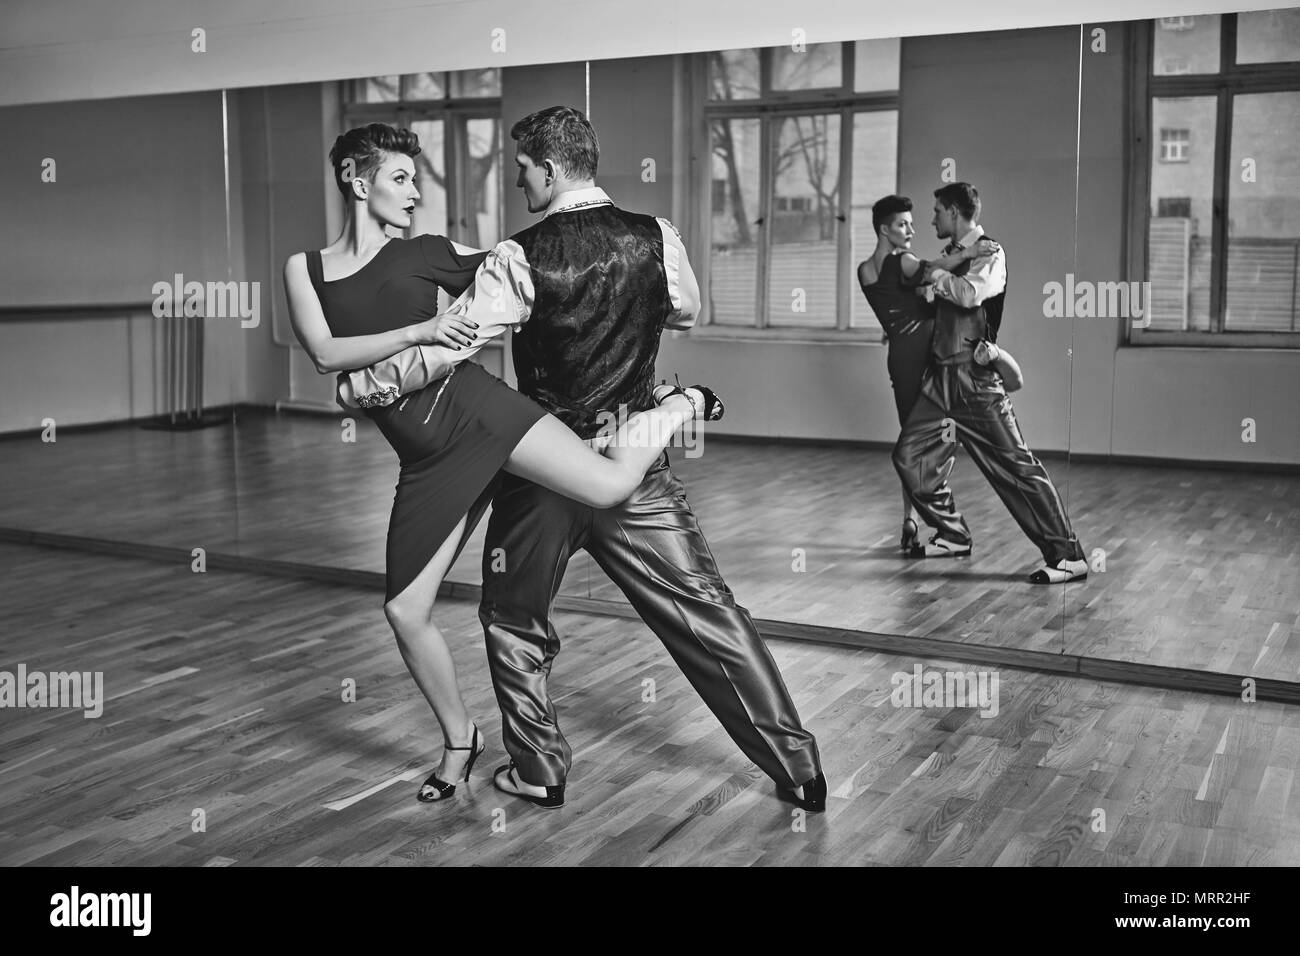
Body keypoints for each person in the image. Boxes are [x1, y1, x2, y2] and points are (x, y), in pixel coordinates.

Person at [351, 106, 827, 812]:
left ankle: (539, 770)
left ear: (548, 168)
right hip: (634, 464)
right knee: (709, 612)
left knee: (514, 622)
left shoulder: (518, 256)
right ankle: (799, 769)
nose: (518, 182)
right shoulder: (654, 237)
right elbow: (688, 311)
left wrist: (369, 380)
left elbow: (454, 346)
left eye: (521, 170)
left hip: (543, 466)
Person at [283, 123, 723, 805]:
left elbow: (547, 259)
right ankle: (462, 738)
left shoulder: (431, 252)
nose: (414, 191)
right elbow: (323, 353)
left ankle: (681, 404)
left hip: (483, 416)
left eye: (414, 178)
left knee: (607, 483)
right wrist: (420, 330)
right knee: (405, 610)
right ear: (354, 177)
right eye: (400, 177)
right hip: (426, 457)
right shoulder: (304, 269)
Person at [891, 182, 1087, 584]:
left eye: (937, 212)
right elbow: (924, 286)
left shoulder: (991, 253)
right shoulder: (953, 255)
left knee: (1015, 467)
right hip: (939, 379)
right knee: (909, 456)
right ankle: (952, 534)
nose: (932, 220)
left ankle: (1068, 556)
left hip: (974, 380)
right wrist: (941, 271)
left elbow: (969, 294)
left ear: (955, 213)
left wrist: (937, 277)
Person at [858, 194, 1009, 551]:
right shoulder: (903, 261)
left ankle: (911, 518)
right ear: (885, 229)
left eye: (911, 222)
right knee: (932, 442)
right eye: (902, 224)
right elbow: (930, 269)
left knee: (910, 441)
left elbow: (896, 305)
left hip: (899, 359)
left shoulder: (865, 270)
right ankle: (945, 525)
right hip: (928, 357)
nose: (911, 229)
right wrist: (969, 254)